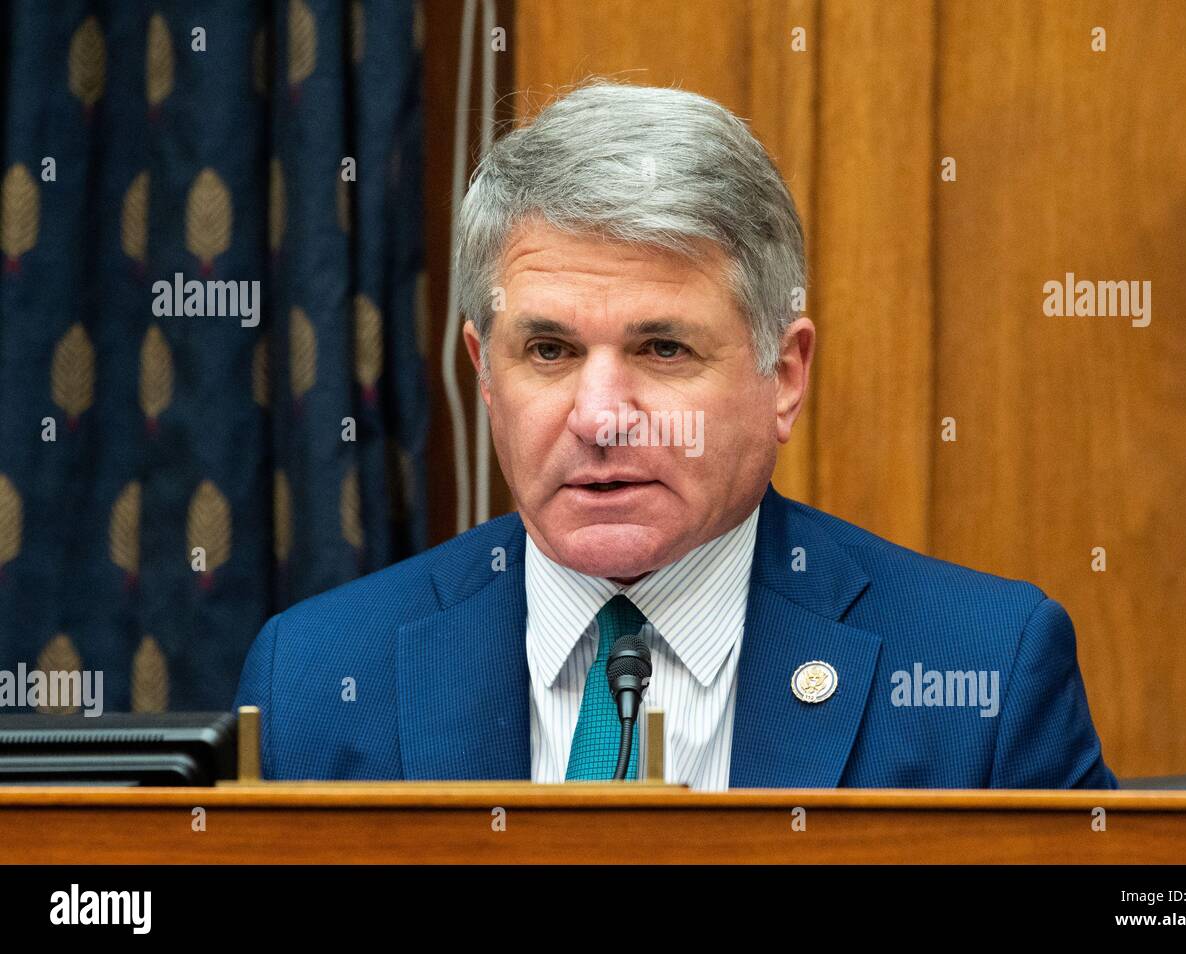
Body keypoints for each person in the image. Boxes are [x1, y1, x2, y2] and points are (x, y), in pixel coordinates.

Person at [235, 80, 1118, 791]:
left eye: (663, 349)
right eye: (548, 350)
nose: (601, 416)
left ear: (785, 375)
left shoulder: (981, 676)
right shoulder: (314, 680)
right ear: (485, 372)